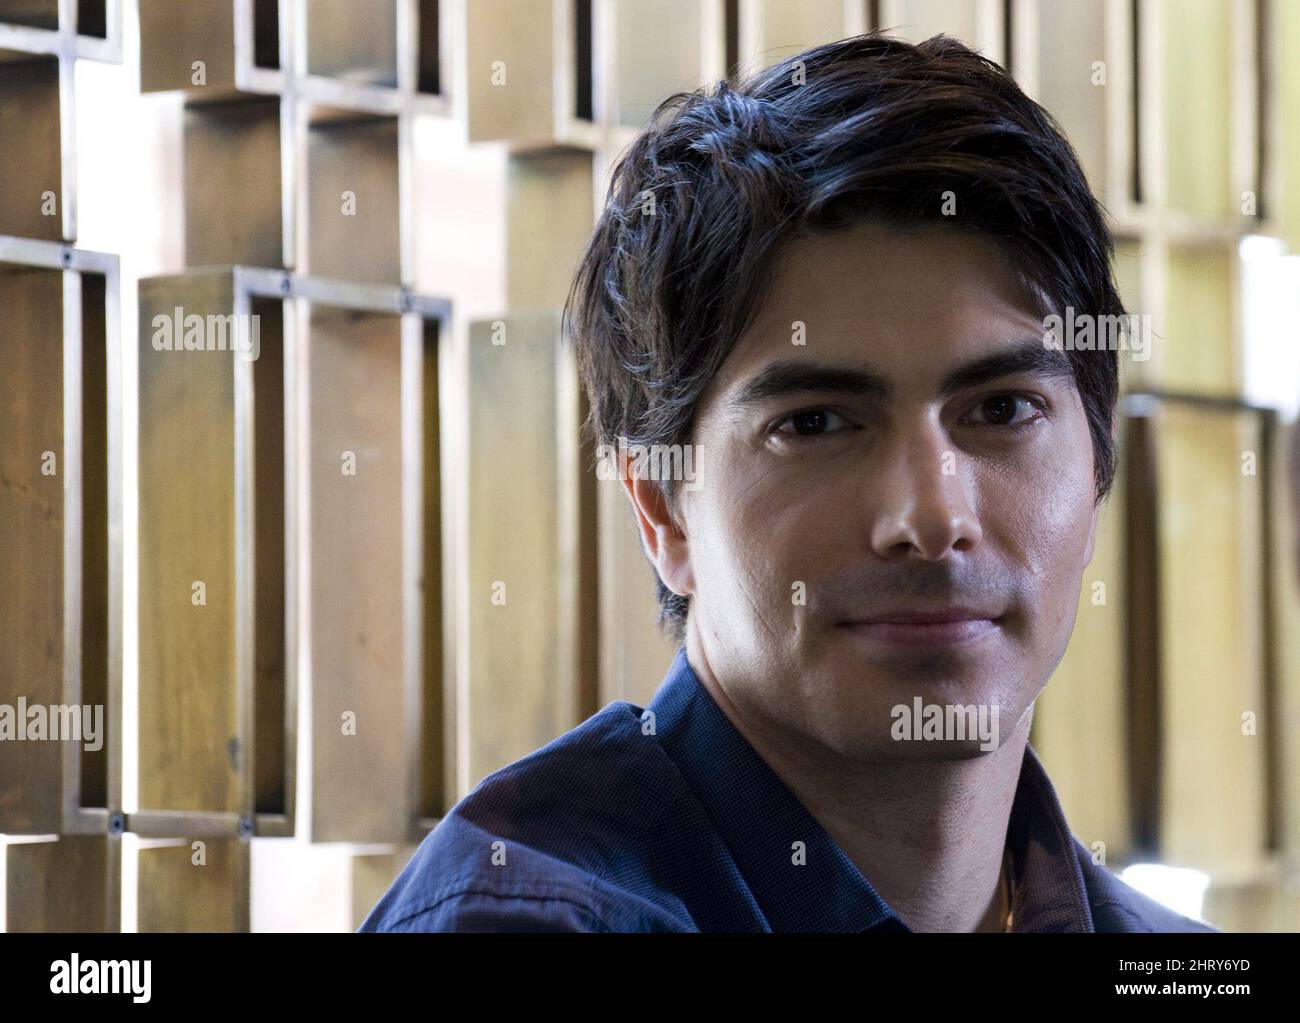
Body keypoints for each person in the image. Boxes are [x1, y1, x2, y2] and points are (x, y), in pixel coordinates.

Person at [360, 32, 1216, 932]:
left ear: (1097, 464)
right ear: (662, 507)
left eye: (1001, 409)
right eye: (814, 423)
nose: (932, 515)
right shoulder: (526, 920)